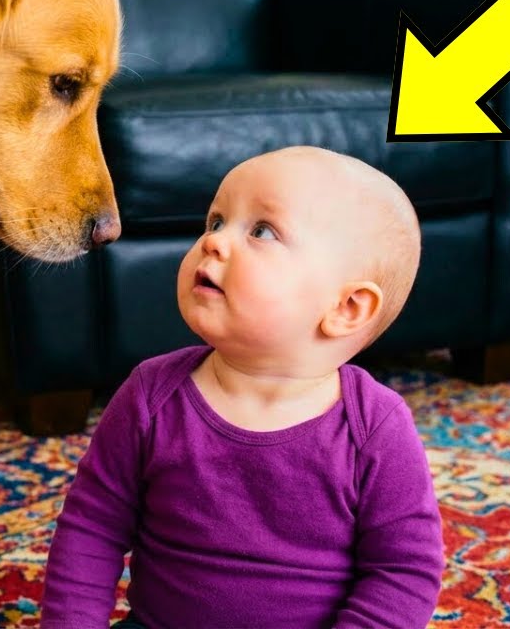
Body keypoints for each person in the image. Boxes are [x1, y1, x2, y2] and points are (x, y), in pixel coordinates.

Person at [41, 146, 444, 629]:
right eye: (215, 221)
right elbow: (92, 528)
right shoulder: (152, 395)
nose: (213, 242)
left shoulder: (375, 427)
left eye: (262, 231)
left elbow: (403, 572)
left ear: (346, 308)